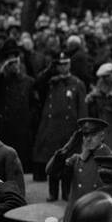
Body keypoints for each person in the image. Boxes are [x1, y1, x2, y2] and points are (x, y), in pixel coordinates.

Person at [32, 53, 85, 187]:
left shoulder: (77, 83)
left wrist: (83, 128)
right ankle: (53, 191)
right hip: (53, 127)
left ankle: (67, 191)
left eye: (65, 64)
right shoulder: (52, 81)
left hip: (69, 127)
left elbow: (82, 108)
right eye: (60, 65)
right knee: (53, 159)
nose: (63, 67)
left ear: (70, 64)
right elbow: (37, 84)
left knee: (68, 160)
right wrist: (50, 69)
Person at [47, 115, 109, 209]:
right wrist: (67, 147)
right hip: (76, 213)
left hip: (97, 213)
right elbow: (50, 171)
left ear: (102, 136)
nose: (88, 139)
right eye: (85, 135)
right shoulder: (76, 159)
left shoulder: (109, 159)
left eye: (93, 135)